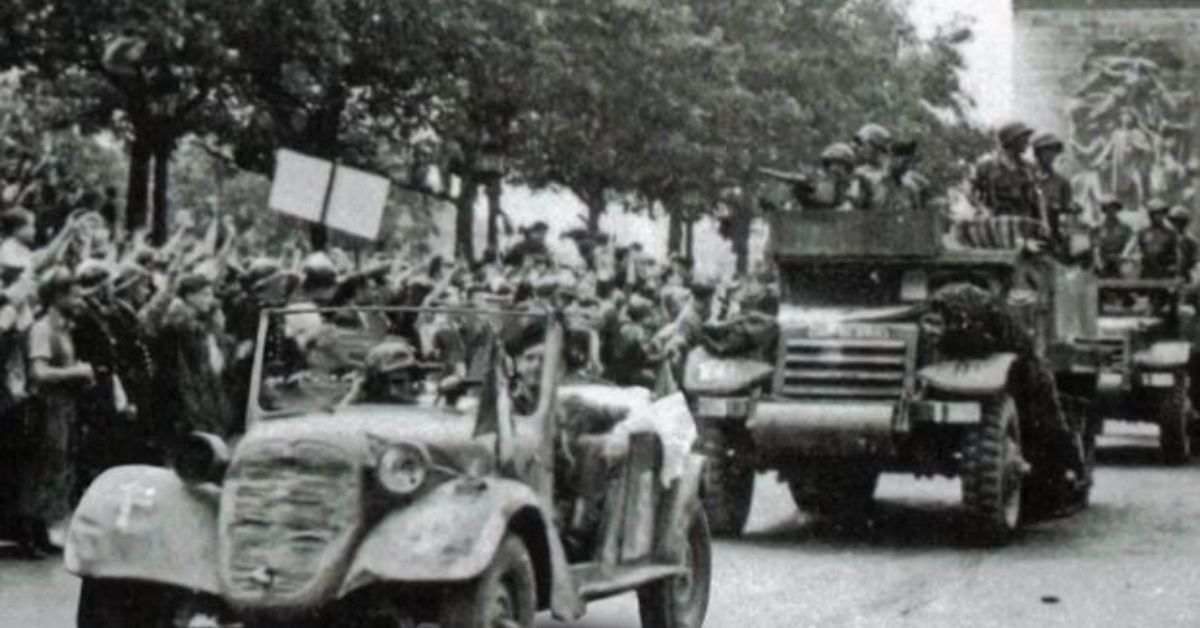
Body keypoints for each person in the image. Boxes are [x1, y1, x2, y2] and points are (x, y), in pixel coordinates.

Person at [21, 267, 95, 559]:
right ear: (56, 296)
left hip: (64, 407)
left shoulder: (65, 328)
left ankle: (45, 528)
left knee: (59, 467)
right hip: (46, 408)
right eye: (74, 296)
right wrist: (75, 371)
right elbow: (38, 372)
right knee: (43, 468)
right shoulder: (42, 329)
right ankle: (32, 532)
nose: (79, 302)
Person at [972, 121, 1041, 221]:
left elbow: (1037, 199)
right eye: (1023, 137)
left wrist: (1043, 222)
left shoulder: (1029, 168)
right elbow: (970, 191)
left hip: (1023, 223)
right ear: (1011, 139)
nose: (1027, 142)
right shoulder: (987, 165)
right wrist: (982, 209)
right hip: (995, 223)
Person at [1031, 132, 1074, 251]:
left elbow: (1067, 213)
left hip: (1052, 237)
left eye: (1054, 152)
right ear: (1037, 153)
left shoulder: (1061, 182)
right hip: (1026, 235)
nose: (1051, 156)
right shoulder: (1027, 177)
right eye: (1047, 151)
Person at [848, 123, 893, 210]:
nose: (859, 149)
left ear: (875, 145)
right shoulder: (860, 172)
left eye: (862, 144)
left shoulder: (893, 172)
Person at [1091, 196, 1133, 278]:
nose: (1111, 211)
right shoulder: (1098, 228)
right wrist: (1098, 262)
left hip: (1120, 259)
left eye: (1114, 208)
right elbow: (1096, 248)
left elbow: (1130, 242)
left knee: (1128, 273)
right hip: (1104, 260)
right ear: (1105, 210)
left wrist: (1125, 253)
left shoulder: (1125, 227)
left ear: (1117, 209)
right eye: (1108, 208)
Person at [1137, 198, 1179, 279]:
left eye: (1161, 213)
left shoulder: (1170, 233)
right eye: (1156, 213)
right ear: (1151, 215)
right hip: (1147, 271)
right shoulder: (1143, 232)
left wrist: (1172, 266)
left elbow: (1175, 253)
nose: (1159, 216)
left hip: (1165, 270)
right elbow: (1139, 249)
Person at [1168, 206, 1198, 283]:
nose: (1175, 224)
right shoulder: (1167, 237)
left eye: (1178, 221)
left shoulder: (1190, 240)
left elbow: (1195, 261)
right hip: (1167, 275)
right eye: (1173, 220)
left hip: (1185, 276)